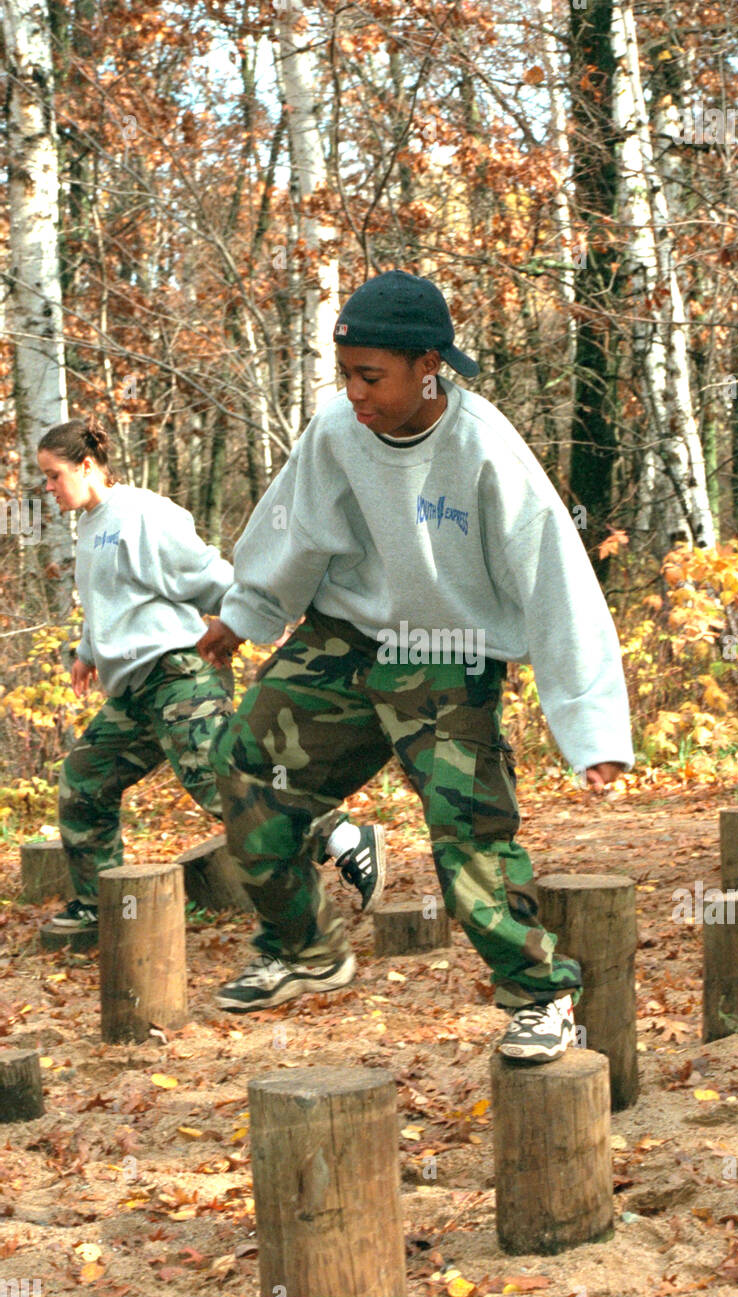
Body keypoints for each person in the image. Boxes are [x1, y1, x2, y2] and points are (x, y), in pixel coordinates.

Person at [200, 269, 634, 1062]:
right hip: (346, 639)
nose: (356, 393)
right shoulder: (338, 433)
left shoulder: (486, 450)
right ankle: (306, 950)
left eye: (372, 376)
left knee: (466, 832)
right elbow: (292, 531)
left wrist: (592, 723)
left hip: (449, 657)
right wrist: (244, 616)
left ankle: (543, 997)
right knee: (245, 764)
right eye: (347, 375)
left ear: (428, 365)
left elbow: (558, 587)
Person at [37, 420, 383, 941]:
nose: (47, 490)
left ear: (87, 467)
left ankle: (340, 834)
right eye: (43, 480)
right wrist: (87, 652)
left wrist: (247, 618)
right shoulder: (90, 524)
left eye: (53, 476)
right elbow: (109, 604)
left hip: (181, 678)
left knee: (226, 788)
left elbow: (209, 576)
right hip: (135, 691)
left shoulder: (143, 515)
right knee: (85, 781)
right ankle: (96, 906)